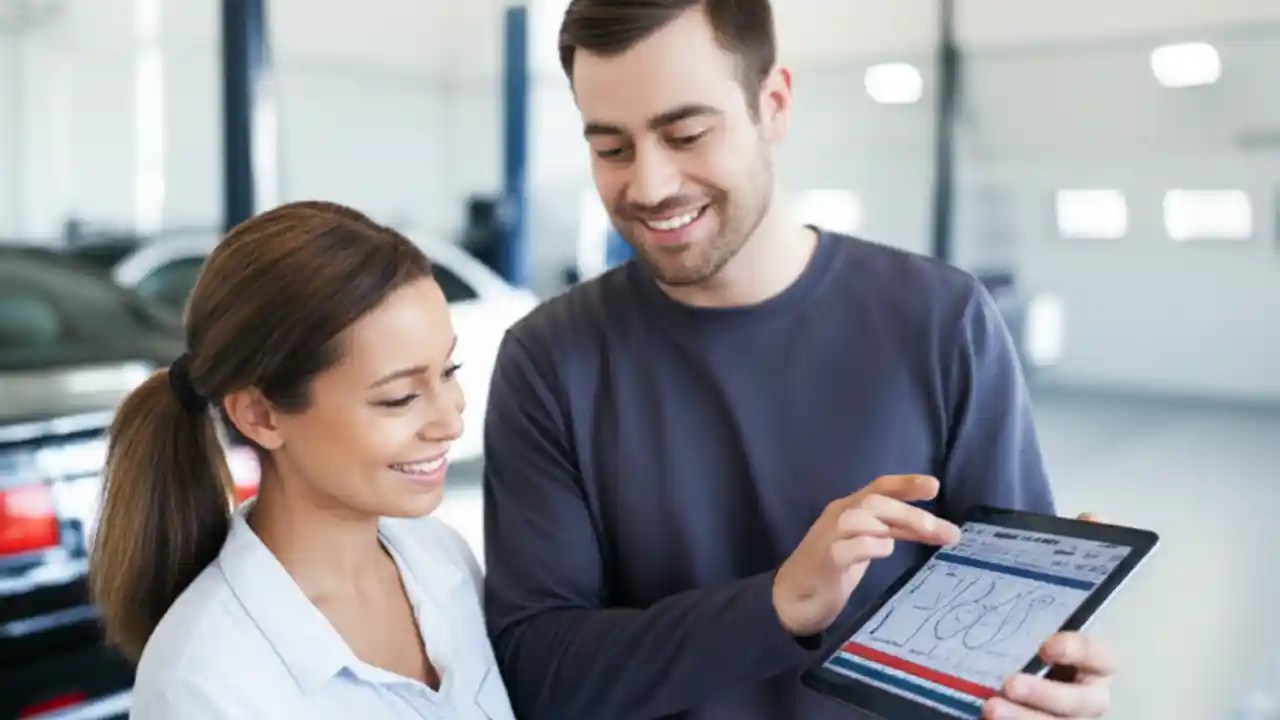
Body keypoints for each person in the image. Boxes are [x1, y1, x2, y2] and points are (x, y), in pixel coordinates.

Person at [481, 2, 1116, 720]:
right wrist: (779, 605)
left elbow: (1016, 636)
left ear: (774, 104)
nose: (650, 186)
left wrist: (1046, 683)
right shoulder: (549, 360)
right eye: (612, 149)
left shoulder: (941, 321)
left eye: (686, 134)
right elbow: (538, 668)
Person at [89, 201, 516, 719]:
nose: (450, 421)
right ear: (261, 415)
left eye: (449, 371)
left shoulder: (441, 558)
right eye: (400, 397)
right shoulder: (201, 683)